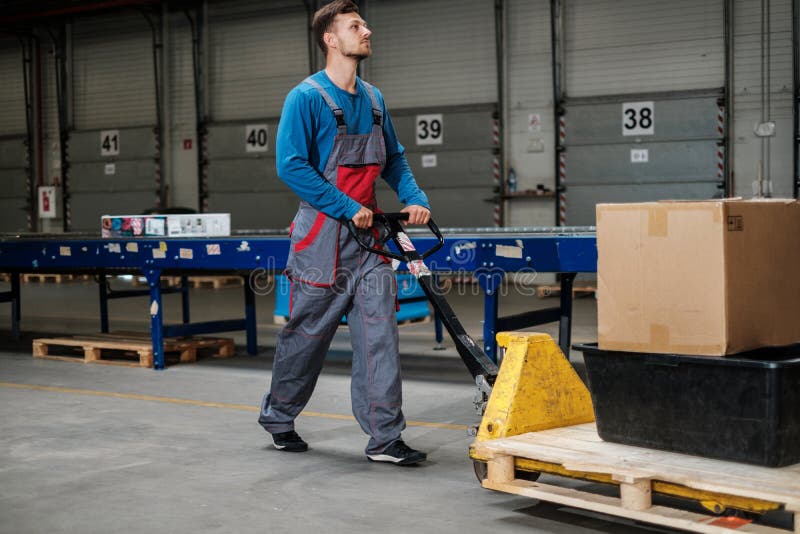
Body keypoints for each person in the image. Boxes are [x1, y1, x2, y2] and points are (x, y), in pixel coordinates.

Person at [258, 0, 431, 466]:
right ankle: (279, 417)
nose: (367, 30)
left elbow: (393, 158)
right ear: (331, 39)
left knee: (380, 337)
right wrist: (345, 205)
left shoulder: (374, 100)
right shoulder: (306, 98)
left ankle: (385, 437)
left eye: (365, 23)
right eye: (356, 26)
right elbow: (291, 166)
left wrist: (415, 198)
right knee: (307, 335)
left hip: (370, 242)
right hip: (321, 241)